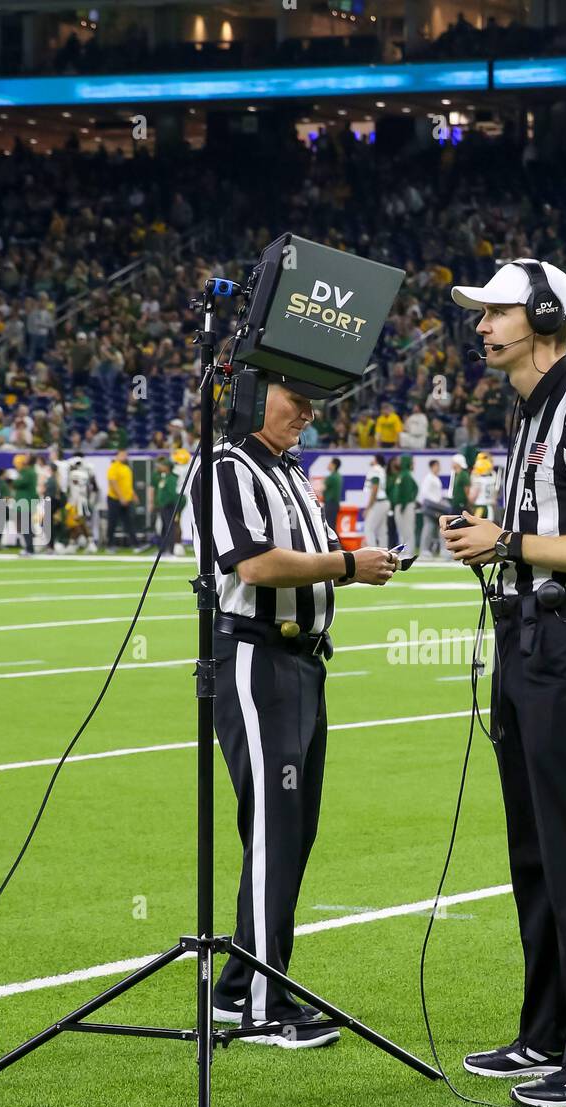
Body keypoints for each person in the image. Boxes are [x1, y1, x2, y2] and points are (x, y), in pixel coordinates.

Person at [444, 258, 566, 1107]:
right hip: (523, 635)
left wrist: (510, 545)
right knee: (533, 845)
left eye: (496, 312)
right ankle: (550, 1030)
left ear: (543, 315)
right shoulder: (529, 411)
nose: (481, 326)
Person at [187, 373, 400, 1046]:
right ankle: (258, 1004)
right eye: (294, 399)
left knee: (292, 827)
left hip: (301, 661)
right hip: (255, 657)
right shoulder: (226, 466)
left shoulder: (283, 470)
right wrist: (346, 564)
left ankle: (242, 988)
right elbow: (251, 566)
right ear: (251, 399)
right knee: (276, 824)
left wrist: (348, 566)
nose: (307, 414)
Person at [106, 448, 145, 552]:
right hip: (114, 499)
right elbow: (113, 483)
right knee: (112, 522)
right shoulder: (113, 467)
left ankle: (136, 545)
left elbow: (127, 485)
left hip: (126, 500)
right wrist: (121, 497)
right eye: (122, 455)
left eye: (125, 455)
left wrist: (133, 495)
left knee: (129, 523)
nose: (125, 457)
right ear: (117, 456)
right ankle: (110, 545)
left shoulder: (126, 468)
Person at [417, 459, 444, 557]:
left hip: (437, 507)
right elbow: (425, 492)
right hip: (430, 506)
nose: (439, 468)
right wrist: (436, 502)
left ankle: (442, 550)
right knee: (428, 527)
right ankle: (424, 550)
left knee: (439, 529)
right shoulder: (428, 478)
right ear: (433, 466)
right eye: (437, 466)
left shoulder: (436, 478)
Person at [363, 453, 390, 547]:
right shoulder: (381, 470)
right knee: (382, 531)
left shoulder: (375, 469)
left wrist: (368, 507)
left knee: (368, 528)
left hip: (378, 502)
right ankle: (385, 554)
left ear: (376, 460)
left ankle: (373, 553)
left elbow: (375, 487)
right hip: (384, 502)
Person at [322, 457, 343, 534]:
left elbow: (322, 488)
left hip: (330, 504)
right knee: (332, 525)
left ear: (334, 465)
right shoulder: (338, 476)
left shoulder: (331, 477)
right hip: (335, 504)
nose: (328, 465)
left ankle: (334, 545)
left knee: (329, 526)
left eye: (330, 463)